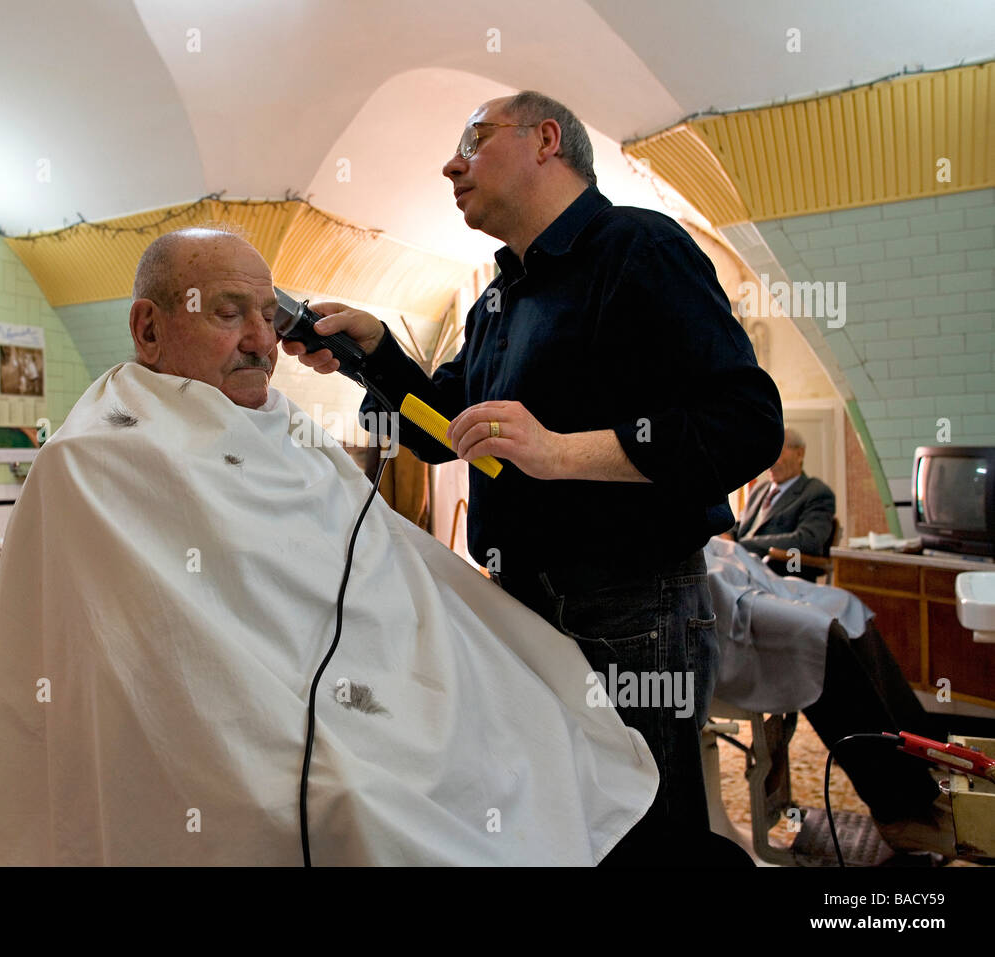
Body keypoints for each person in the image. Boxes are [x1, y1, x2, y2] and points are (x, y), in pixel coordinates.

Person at [0, 227, 659, 865]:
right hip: (247, 734)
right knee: (361, 804)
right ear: (149, 328)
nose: (262, 343)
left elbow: (390, 564)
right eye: (229, 312)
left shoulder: (286, 428)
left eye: (270, 315)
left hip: (387, 686)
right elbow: (166, 663)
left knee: (534, 711)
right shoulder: (94, 461)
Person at [286, 91, 785, 861]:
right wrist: (375, 350)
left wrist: (561, 452)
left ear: (547, 139)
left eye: (474, 140)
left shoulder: (639, 249)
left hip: (630, 609)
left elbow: (745, 421)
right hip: (520, 605)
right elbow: (444, 431)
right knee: (561, 815)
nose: (451, 163)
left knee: (646, 828)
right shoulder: (498, 295)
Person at [719, 427, 835, 581]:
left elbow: (807, 541)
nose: (770, 463)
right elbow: (741, 525)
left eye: (777, 453)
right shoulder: (760, 489)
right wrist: (726, 537)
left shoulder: (816, 493)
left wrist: (741, 547)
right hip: (737, 566)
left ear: (800, 454)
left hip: (779, 576)